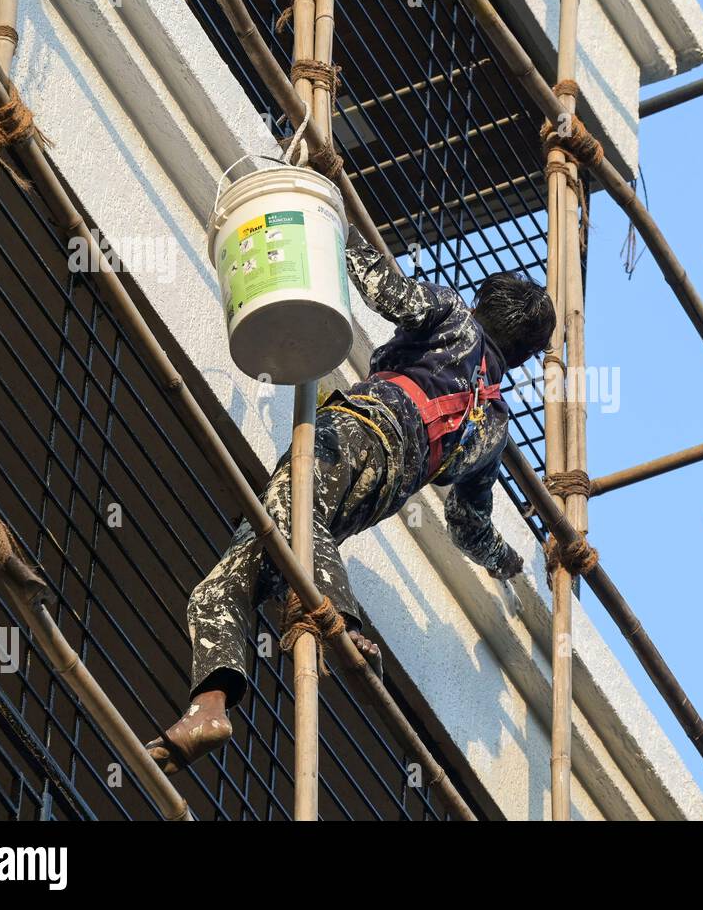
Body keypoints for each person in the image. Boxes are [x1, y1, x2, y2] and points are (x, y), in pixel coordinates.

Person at [147, 226, 555, 775]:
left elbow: (382, 288)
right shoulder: (495, 427)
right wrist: (508, 564)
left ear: (485, 303)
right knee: (228, 580)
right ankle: (210, 705)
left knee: (295, 506)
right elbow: (468, 526)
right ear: (527, 353)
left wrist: (330, 220)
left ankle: (343, 621)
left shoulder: (455, 316)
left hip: (362, 429)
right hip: (382, 491)